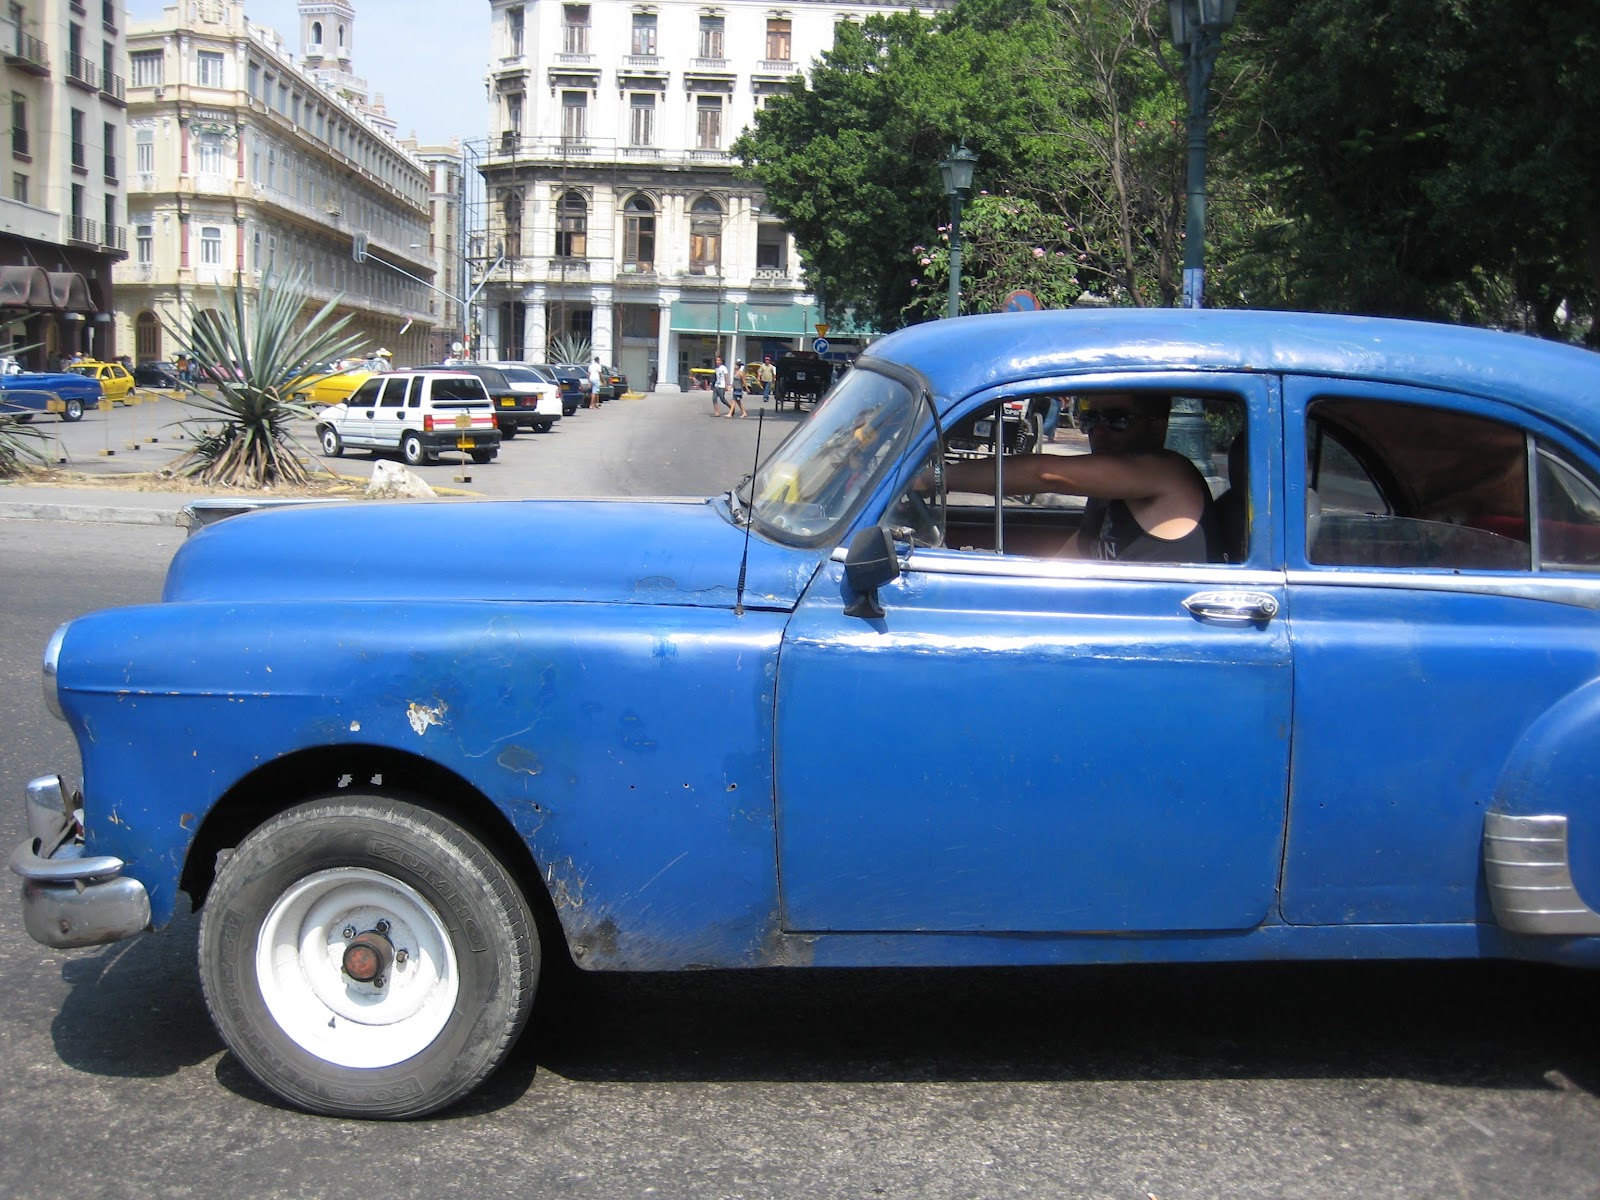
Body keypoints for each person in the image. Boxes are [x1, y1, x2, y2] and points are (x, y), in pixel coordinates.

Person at [925, 393, 1218, 563]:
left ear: (1158, 427)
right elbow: (1078, 551)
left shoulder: (1167, 473)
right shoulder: (1109, 491)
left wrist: (932, 477)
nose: (1098, 431)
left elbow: (1045, 474)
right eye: (1090, 418)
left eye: (1118, 419)